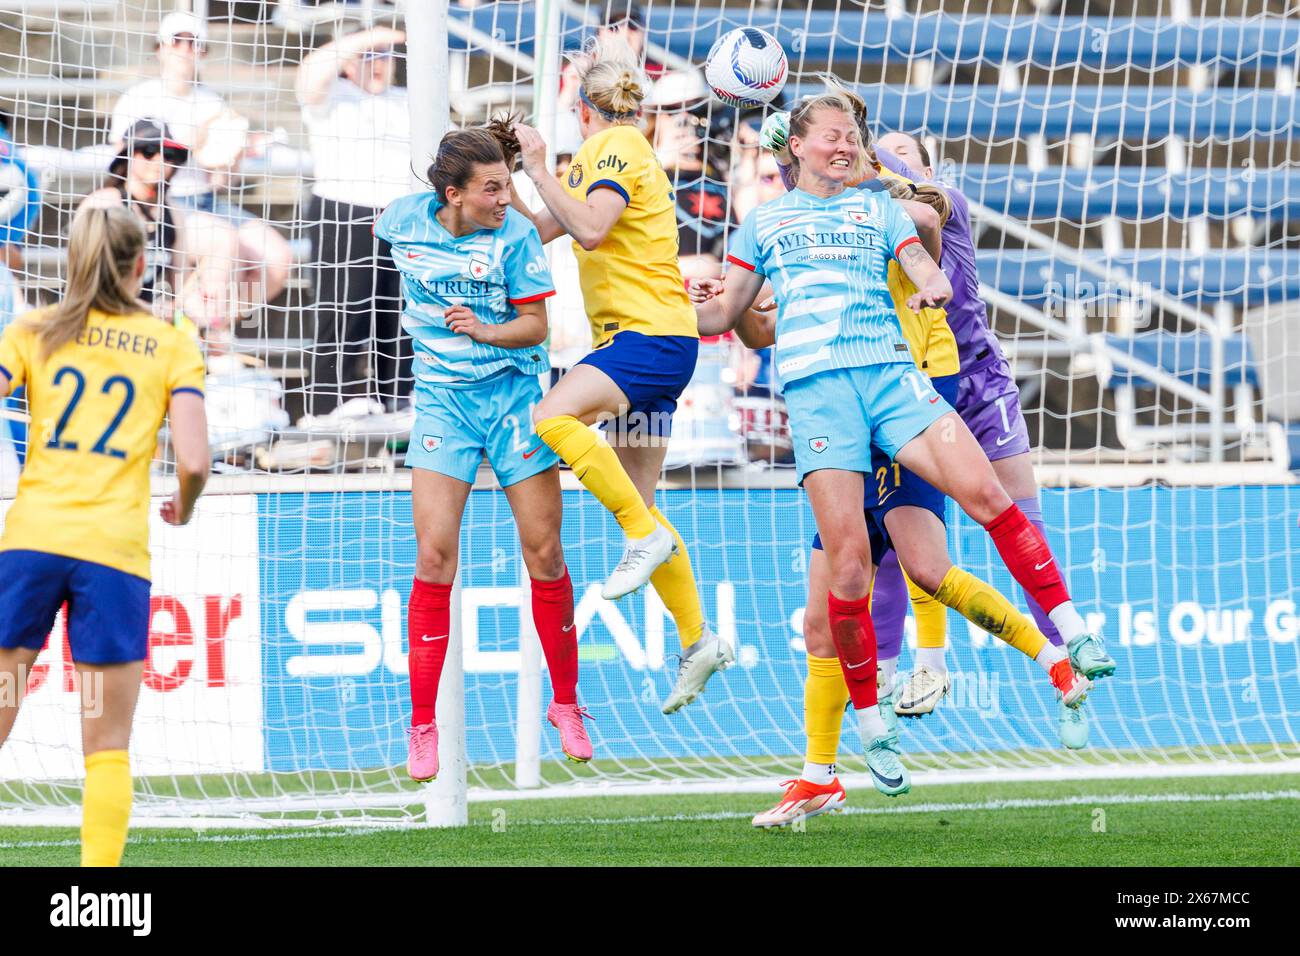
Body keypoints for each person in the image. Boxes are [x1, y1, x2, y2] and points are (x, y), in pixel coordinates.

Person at [693, 89, 1103, 801]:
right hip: (821, 397)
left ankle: (1068, 637)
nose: (847, 145)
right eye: (833, 135)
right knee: (849, 570)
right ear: (797, 144)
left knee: (980, 503)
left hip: (893, 378)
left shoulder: (882, 208)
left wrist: (932, 283)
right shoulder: (762, 224)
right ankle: (865, 729)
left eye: (854, 134)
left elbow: (925, 257)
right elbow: (731, 317)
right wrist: (677, 304)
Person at [512, 37, 733, 714]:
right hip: (659, 344)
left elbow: (593, 231)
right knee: (641, 498)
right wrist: (506, 185)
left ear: (584, 108)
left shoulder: (616, 147)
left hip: (648, 339)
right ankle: (699, 639)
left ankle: (642, 538)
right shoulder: (600, 158)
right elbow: (545, 230)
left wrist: (542, 167)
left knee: (551, 418)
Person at [374, 121, 590, 780]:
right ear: (452, 193)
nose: (505, 197)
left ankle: (567, 703)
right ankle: (422, 724)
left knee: (544, 550)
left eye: (507, 184)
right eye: (492, 188)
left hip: (515, 401)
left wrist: (487, 330)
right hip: (443, 404)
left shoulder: (518, 238)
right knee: (434, 554)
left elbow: (536, 328)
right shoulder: (400, 222)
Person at [0, 204, 210, 866]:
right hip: (113, 558)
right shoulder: (171, 342)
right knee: (106, 744)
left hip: (31, 546)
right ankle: (96, 896)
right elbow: (197, 461)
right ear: (142, 265)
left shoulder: (32, 330)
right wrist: (185, 503)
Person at [109, 10, 293, 316]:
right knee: (223, 241)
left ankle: (210, 325)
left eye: (194, 44)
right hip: (162, 201)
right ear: (160, 48)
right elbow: (122, 163)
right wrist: (186, 147)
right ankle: (208, 333)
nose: (185, 50)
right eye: (177, 41)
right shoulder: (137, 98)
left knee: (277, 257)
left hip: (205, 200)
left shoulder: (212, 102)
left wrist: (230, 160)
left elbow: (221, 181)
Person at [296, 26, 411, 413]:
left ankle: (397, 399)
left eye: (385, 56)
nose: (378, 64)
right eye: (368, 56)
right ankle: (330, 404)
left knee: (400, 314)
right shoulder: (331, 97)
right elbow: (311, 71)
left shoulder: (409, 100)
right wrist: (373, 34)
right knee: (342, 310)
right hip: (344, 210)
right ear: (347, 62)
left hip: (401, 216)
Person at [85, 118, 241, 339]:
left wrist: (205, 318)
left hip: (152, 329)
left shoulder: (172, 213)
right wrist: (148, 311)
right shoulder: (105, 204)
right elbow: (91, 284)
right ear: (128, 155)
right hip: (105, 323)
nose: (159, 161)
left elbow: (180, 281)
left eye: (169, 155)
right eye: (148, 151)